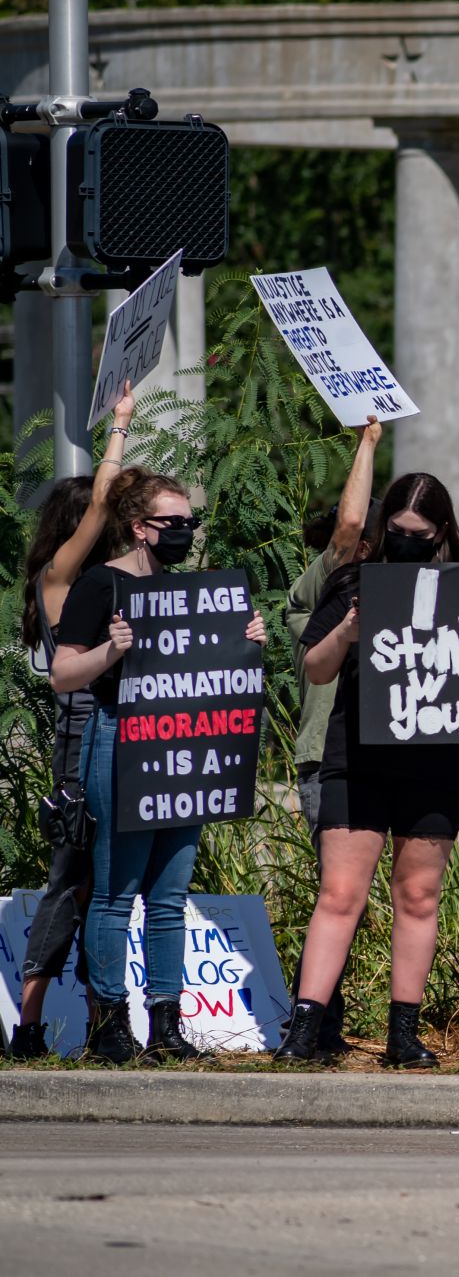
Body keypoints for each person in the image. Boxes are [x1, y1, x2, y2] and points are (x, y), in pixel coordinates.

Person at [277, 473, 459, 1068]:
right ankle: (303, 1028)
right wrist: (349, 627)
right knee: (340, 893)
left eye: (418, 535)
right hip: (359, 757)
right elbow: (317, 669)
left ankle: (404, 1032)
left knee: (418, 895)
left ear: (441, 533)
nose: (405, 542)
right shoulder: (353, 579)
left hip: (435, 764)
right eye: (395, 532)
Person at [52, 464, 268, 1063]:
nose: (184, 531)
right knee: (116, 891)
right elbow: (62, 673)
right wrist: (110, 650)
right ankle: (110, 1023)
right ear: (138, 527)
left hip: (186, 746)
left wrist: (248, 637)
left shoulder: (194, 592)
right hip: (121, 737)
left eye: (189, 521)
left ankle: (166, 1021)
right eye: (172, 521)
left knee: (169, 895)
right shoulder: (102, 585)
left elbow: (220, 668)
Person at [8, 384, 131, 1059]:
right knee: (71, 878)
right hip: (80, 738)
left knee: (105, 882)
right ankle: (27, 1024)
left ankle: (102, 1018)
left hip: (119, 733)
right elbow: (105, 506)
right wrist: (119, 428)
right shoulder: (60, 577)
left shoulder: (112, 581)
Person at [280, 416, 381, 1057]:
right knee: (337, 897)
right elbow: (348, 530)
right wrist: (368, 443)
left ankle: (324, 1021)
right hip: (329, 758)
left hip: (385, 754)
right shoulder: (321, 590)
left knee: (351, 902)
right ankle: (314, 1022)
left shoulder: (389, 586)